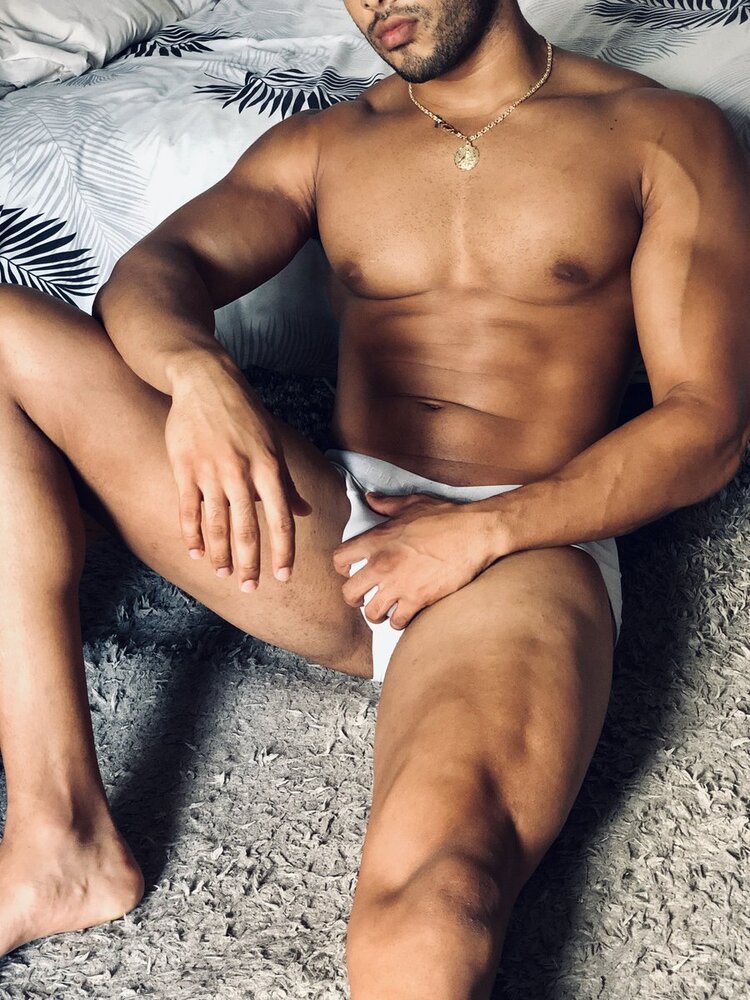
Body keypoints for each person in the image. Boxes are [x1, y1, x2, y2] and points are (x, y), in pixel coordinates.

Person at [0, 0, 747, 995]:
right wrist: (197, 376)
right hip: (329, 526)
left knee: (436, 895)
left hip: (522, 548)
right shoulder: (328, 142)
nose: (377, 4)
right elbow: (158, 272)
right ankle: (60, 833)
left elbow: (708, 424)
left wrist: (480, 533)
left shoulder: (659, 131)